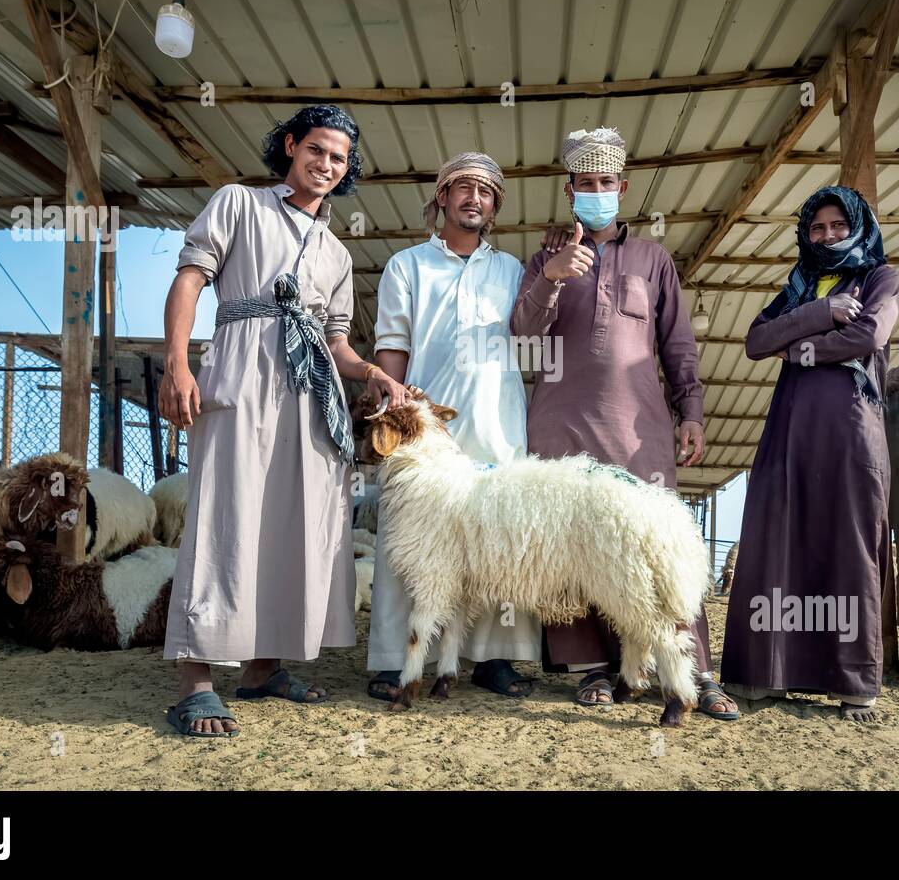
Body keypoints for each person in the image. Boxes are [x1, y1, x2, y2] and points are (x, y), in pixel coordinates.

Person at [158, 105, 408, 737]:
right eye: (317, 150)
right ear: (291, 146)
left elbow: (338, 344)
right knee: (226, 511)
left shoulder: (336, 253)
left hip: (309, 391)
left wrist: (372, 374)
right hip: (241, 370)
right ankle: (196, 681)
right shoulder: (240, 203)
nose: (326, 165)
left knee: (295, 519)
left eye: (340, 159)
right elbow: (189, 281)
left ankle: (263, 668)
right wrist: (178, 366)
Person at [510, 126, 737, 719]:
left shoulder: (654, 259)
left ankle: (695, 671)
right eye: (585, 183)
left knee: (660, 544)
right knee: (570, 545)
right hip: (560, 425)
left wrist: (691, 411)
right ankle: (594, 669)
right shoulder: (544, 258)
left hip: (640, 427)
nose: (596, 191)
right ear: (570, 190)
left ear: (623, 187)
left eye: (606, 182)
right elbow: (523, 335)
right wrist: (553, 274)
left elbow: (678, 344)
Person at [718, 184, 899, 722]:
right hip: (789, 430)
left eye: (837, 227)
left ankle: (853, 684)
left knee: (848, 544)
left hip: (850, 430)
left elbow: (869, 334)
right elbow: (755, 341)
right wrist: (822, 310)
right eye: (817, 228)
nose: (827, 235)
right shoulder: (799, 287)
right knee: (776, 540)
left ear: (858, 227)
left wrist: (796, 349)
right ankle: (766, 674)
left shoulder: (879, 278)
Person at [366, 152, 541, 701]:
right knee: (410, 539)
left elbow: (534, 333)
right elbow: (392, 344)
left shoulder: (513, 269)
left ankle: (495, 660)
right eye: (463, 189)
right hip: (425, 430)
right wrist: (390, 410)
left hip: (496, 420)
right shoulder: (407, 265)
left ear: (494, 207)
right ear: (442, 197)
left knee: (498, 540)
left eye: (485, 193)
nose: (474, 199)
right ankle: (398, 658)